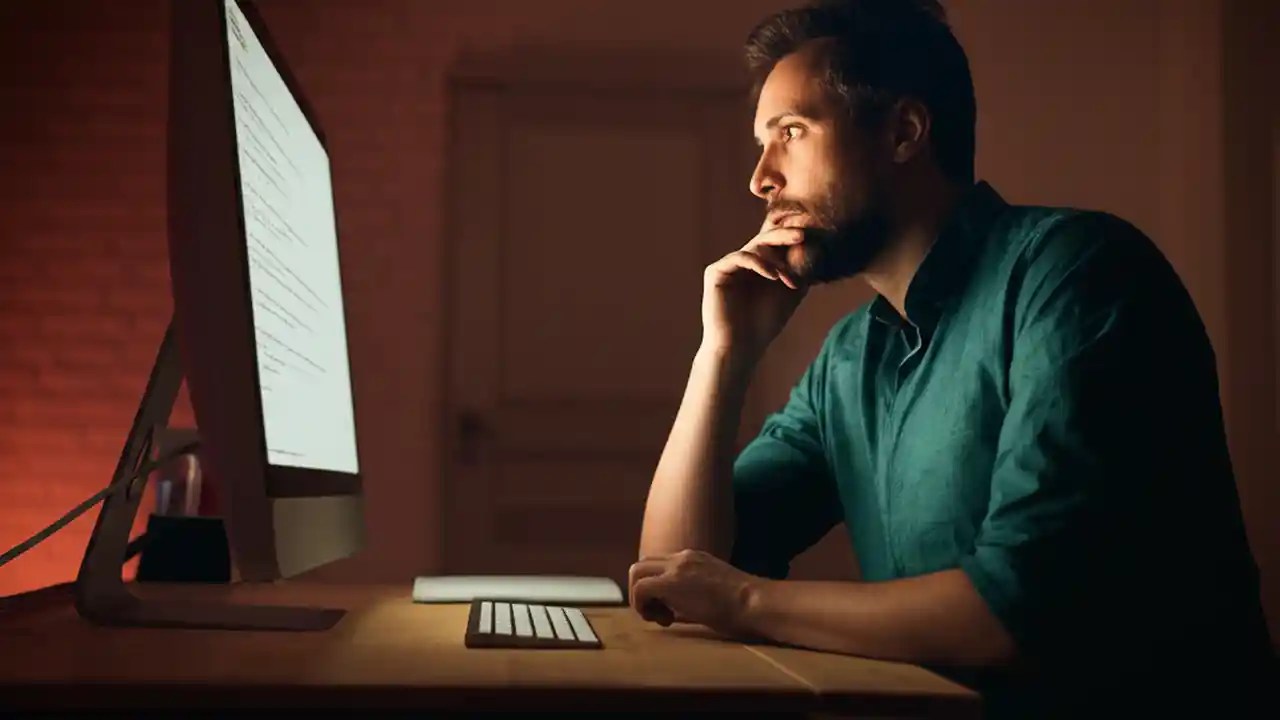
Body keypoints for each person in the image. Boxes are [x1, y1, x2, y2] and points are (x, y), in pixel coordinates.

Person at [628, 0, 1274, 715]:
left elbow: (1014, 611)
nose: (761, 179)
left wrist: (747, 601)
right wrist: (723, 355)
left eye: (791, 132)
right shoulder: (852, 359)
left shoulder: (1078, 276)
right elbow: (674, 583)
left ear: (904, 132)